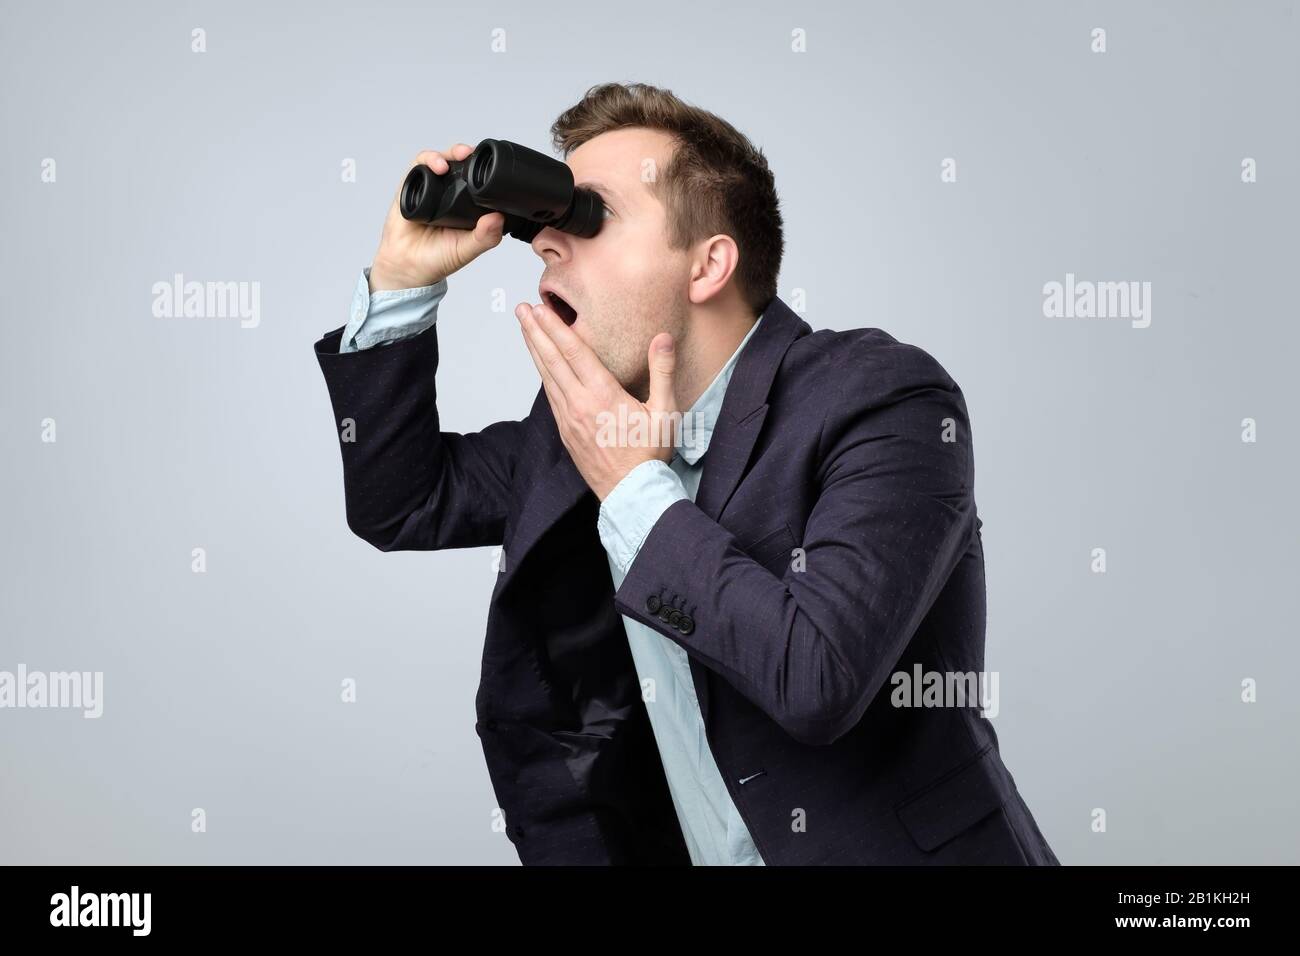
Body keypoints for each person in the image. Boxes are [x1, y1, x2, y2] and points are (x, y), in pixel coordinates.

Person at [313, 82, 1059, 866]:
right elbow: (403, 502)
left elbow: (818, 679)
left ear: (709, 266)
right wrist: (402, 282)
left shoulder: (882, 398)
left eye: (588, 215)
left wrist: (635, 490)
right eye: (547, 218)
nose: (544, 243)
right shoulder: (581, 432)